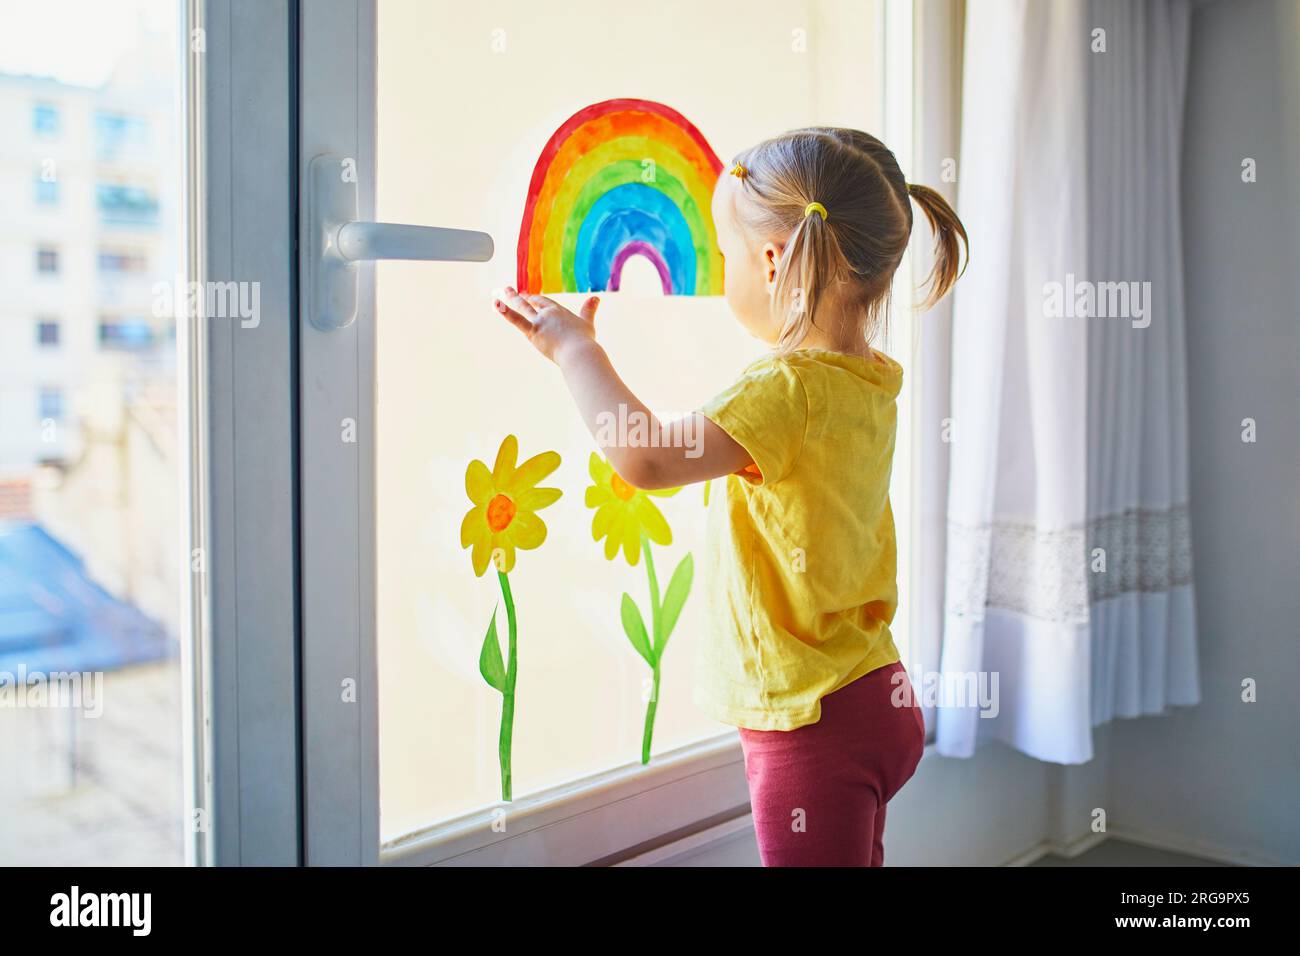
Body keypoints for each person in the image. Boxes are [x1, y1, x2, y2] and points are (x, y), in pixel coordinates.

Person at [492, 127, 968, 866]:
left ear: (775, 261)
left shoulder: (782, 391)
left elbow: (645, 457)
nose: (720, 271)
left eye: (725, 255)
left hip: (813, 726)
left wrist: (576, 350)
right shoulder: (869, 376)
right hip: (875, 691)